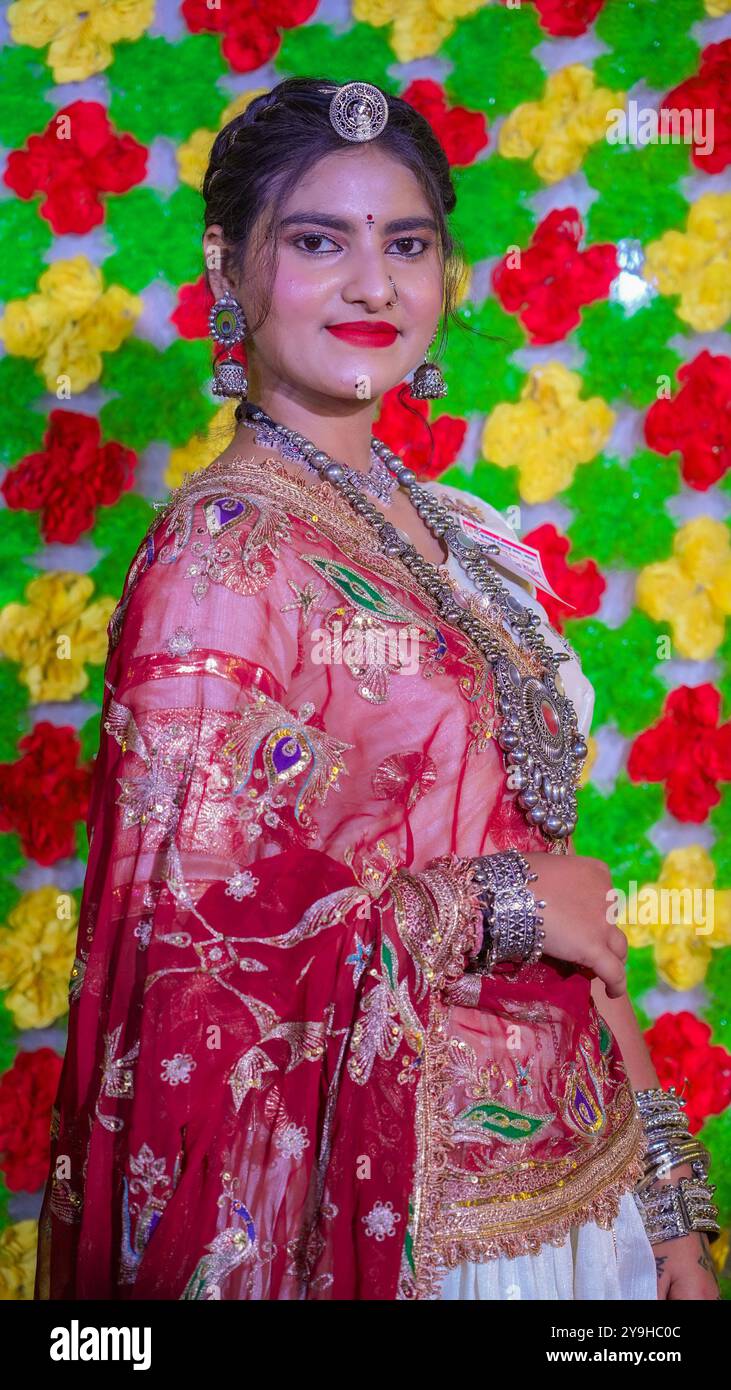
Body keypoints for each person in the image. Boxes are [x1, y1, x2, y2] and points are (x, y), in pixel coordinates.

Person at [34, 77, 720, 1302]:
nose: (372, 285)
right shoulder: (221, 559)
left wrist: (670, 1208)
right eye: (315, 242)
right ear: (225, 272)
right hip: (409, 1237)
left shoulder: (447, 535)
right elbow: (192, 965)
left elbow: (563, 895)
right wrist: (492, 903)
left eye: (406, 245)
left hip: (587, 1206)